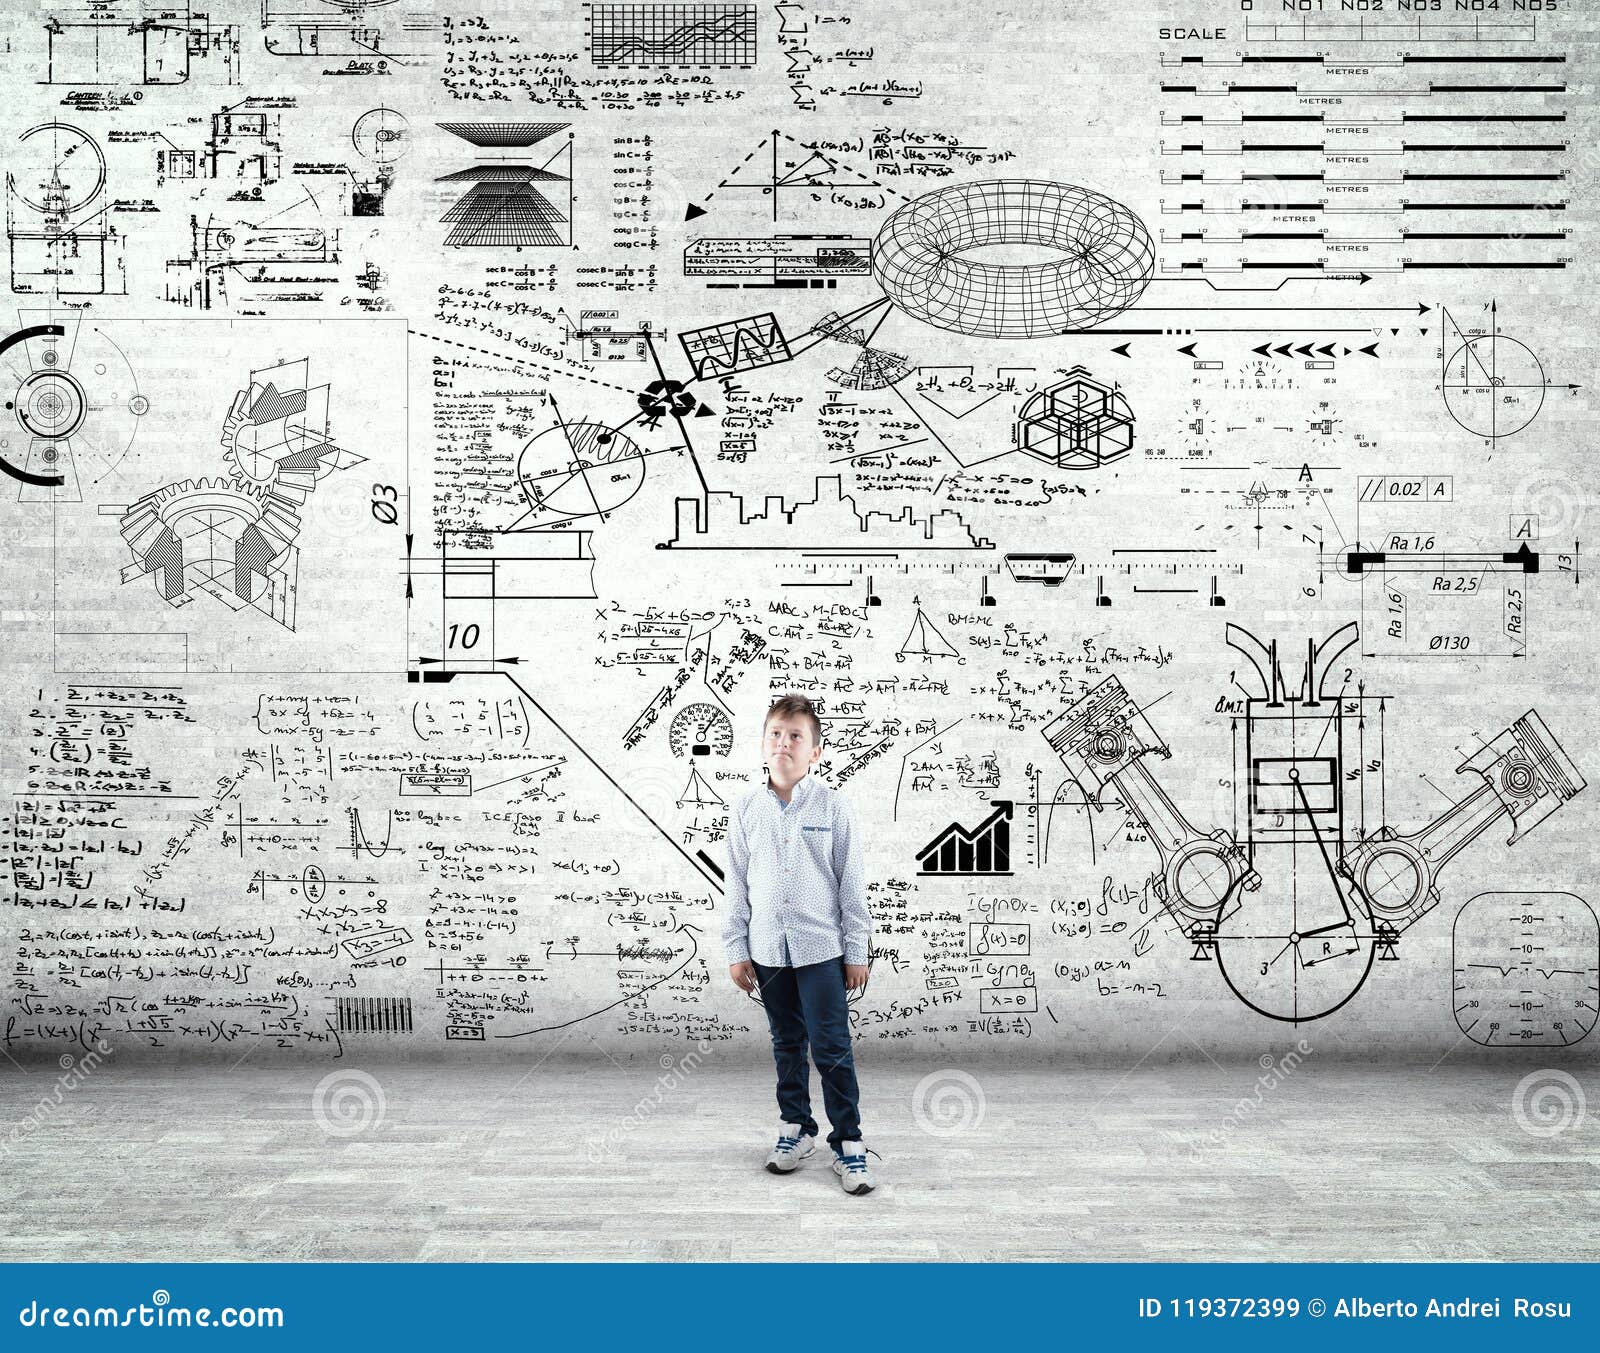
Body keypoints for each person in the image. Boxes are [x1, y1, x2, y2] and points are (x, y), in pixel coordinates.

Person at [722, 693, 877, 1195]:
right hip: (767, 949)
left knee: (831, 1045)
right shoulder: (745, 809)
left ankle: (848, 1143)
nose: (783, 743)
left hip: (821, 948)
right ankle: (796, 1128)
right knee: (786, 1042)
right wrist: (736, 947)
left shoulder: (832, 806)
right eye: (775, 734)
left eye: (796, 737)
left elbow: (850, 881)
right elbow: (736, 883)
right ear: (762, 744)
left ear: (815, 751)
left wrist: (856, 950)